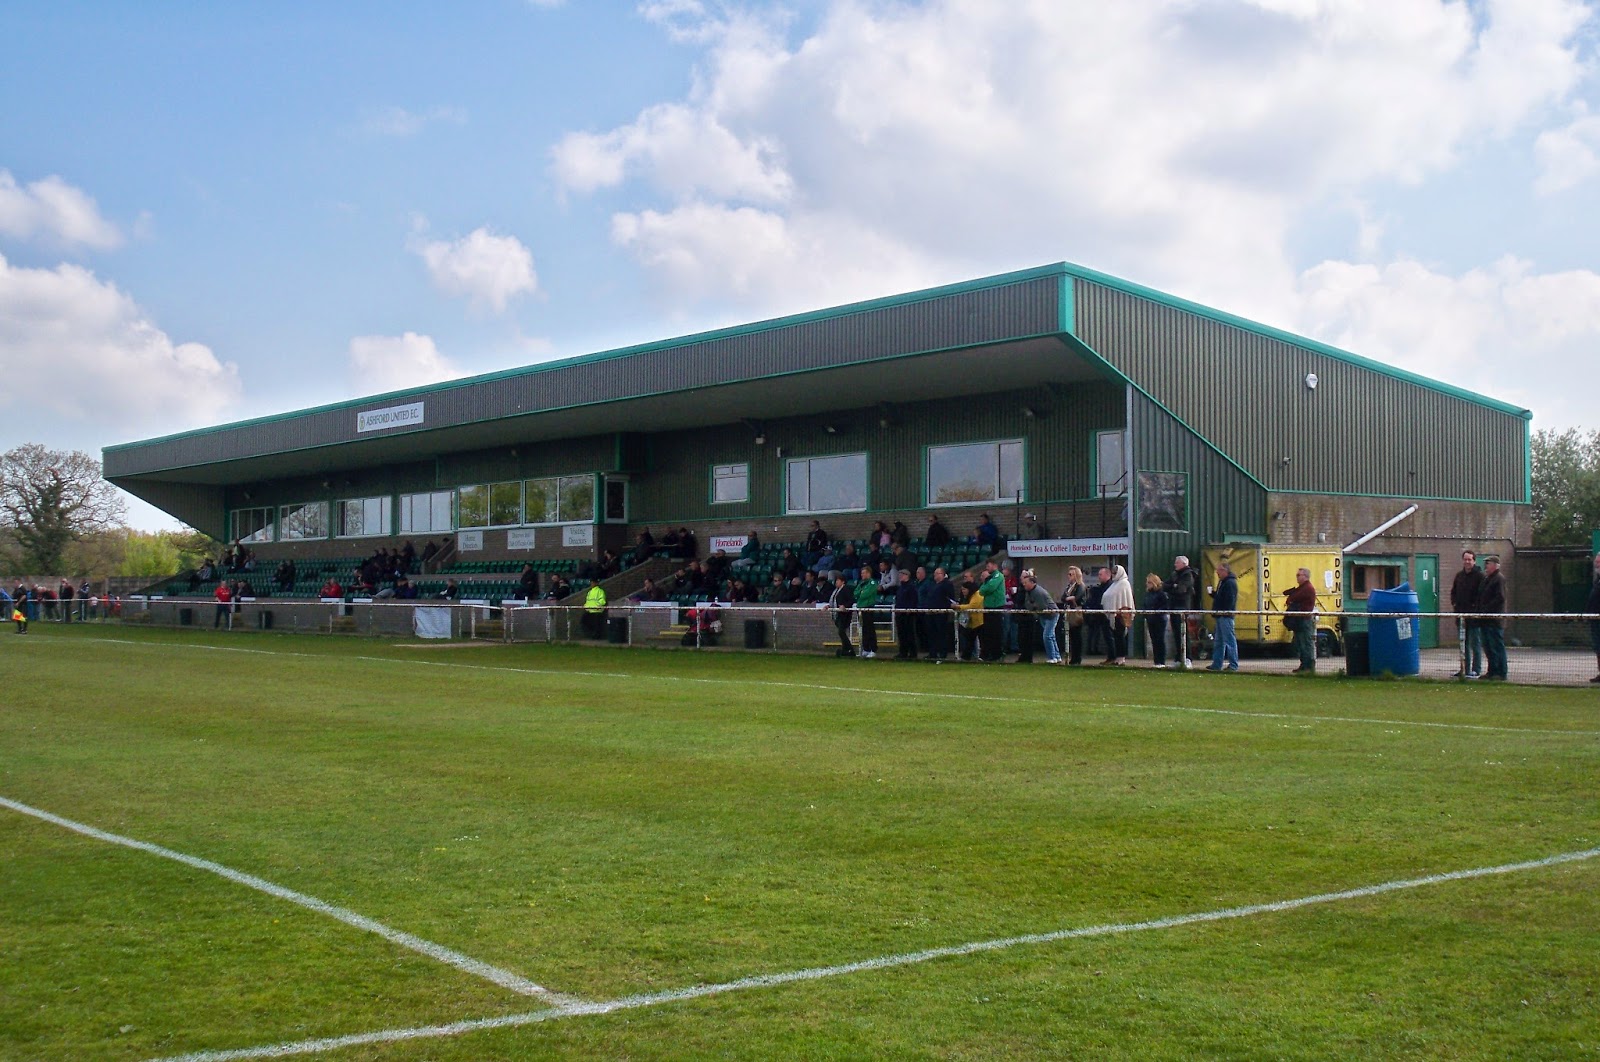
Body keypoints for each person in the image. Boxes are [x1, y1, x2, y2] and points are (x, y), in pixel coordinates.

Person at [1450, 550, 1485, 678]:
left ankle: (1476, 670)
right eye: (1465, 559)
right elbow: (1453, 592)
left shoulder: (1480, 576)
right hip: (1460, 616)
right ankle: (1464, 669)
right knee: (1463, 644)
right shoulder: (1459, 576)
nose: (1467, 562)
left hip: (1474, 617)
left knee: (1475, 643)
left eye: (1469, 559)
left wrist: (1475, 609)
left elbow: (1482, 596)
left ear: (1474, 561)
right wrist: (1454, 603)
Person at [1475, 556, 1508, 680]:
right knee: (1488, 647)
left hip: (1495, 620)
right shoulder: (1487, 579)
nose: (1486, 566)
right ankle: (1492, 671)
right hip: (1485, 620)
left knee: (1496, 646)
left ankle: (1501, 672)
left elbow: (1500, 598)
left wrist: (1487, 609)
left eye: (1488, 564)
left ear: (1496, 565)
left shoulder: (1499, 579)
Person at [1164, 555, 1199, 669]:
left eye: (1177, 563)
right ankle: (1178, 658)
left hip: (1182, 607)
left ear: (1184, 564)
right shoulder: (1174, 574)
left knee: (1183, 633)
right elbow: (1164, 585)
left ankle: (1187, 658)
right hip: (1173, 607)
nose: (1175, 564)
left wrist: (1173, 587)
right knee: (1176, 634)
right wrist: (1172, 586)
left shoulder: (1188, 575)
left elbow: (1181, 590)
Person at [1018, 570, 1059, 664]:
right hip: (1043, 616)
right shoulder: (1028, 592)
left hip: (1051, 614)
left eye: (1026, 583)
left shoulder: (1038, 592)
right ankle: (1057, 656)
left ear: (1032, 583)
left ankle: (1052, 657)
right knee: (1051, 636)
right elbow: (1027, 604)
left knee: (1047, 636)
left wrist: (1033, 607)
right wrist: (1033, 607)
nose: (1024, 585)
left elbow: (1042, 606)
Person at [1283, 566, 1318, 674]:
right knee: (1300, 643)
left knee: (1306, 643)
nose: (1297, 577)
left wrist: (1291, 599)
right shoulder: (1301, 588)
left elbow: (1292, 598)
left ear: (1305, 576)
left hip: (1305, 620)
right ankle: (1303, 665)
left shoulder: (1307, 588)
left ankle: (1309, 666)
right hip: (1299, 620)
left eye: (1299, 575)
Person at [1207, 563, 1240, 672]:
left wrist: (1222, 609)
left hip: (1226, 616)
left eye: (1219, 571)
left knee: (1229, 640)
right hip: (1221, 615)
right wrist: (1214, 595)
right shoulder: (1223, 582)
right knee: (1219, 641)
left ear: (1225, 571)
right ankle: (1217, 664)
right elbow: (1222, 598)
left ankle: (1233, 665)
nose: (1217, 573)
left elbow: (1229, 600)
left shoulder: (1229, 583)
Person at [1100, 565, 1134, 665]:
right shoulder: (1115, 584)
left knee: (1120, 636)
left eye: (1115, 572)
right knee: (1116, 636)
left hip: (1121, 615)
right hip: (1114, 614)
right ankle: (1116, 657)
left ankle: (1121, 657)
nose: (1114, 574)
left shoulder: (1124, 583)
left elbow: (1124, 599)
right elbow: (1107, 596)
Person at [974, 561, 1006, 662]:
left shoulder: (998, 576)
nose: (987, 567)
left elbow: (990, 587)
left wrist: (986, 584)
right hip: (988, 607)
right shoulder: (989, 578)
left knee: (996, 632)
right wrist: (986, 584)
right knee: (988, 633)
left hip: (996, 607)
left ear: (995, 566)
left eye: (989, 565)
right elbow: (982, 590)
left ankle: (997, 654)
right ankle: (988, 654)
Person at [1057, 566, 1089, 665]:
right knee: (1071, 635)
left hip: (1077, 612)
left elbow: (1078, 597)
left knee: (1077, 636)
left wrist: (1071, 598)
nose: (1068, 576)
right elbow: (1063, 597)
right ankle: (1072, 657)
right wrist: (1069, 598)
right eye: (1068, 574)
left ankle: (1077, 658)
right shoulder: (1069, 586)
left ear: (1076, 575)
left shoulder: (1080, 586)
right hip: (1069, 611)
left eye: (1071, 574)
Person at [893, 568, 920, 659]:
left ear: (907, 575)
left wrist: (910, 609)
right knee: (901, 634)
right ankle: (903, 652)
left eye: (902, 574)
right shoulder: (900, 587)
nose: (900, 576)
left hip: (908, 615)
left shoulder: (911, 587)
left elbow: (914, 600)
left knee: (910, 634)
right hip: (900, 614)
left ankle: (912, 653)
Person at [854, 565, 880, 659]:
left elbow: (866, 594)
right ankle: (866, 648)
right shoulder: (861, 583)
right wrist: (861, 592)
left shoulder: (872, 583)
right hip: (860, 608)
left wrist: (861, 593)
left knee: (870, 628)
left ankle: (873, 649)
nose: (862, 575)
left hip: (868, 607)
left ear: (868, 573)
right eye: (861, 573)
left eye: (864, 573)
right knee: (863, 628)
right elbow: (855, 593)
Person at [1143, 573, 1169, 667]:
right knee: (1154, 640)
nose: (1147, 584)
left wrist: (1156, 612)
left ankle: (1161, 661)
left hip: (1159, 619)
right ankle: (1156, 661)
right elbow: (1146, 604)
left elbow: (1165, 606)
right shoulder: (1148, 594)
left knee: (1160, 640)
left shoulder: (1161, 593)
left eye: (1149, 582)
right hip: (1150, 619)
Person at [828, 572, 856, 657]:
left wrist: (845, 606)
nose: (836, 582)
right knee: (841, 632)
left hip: (844, 615)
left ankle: (850, 649)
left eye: (838, 580)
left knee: (841, 632)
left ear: (843, 581)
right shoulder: (836, 591)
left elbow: (851, 600)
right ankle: (845, 650)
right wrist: (829, 605)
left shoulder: (846, 589)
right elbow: (833, 601)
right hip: (837, 614)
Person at [1587, 553, 1600, 684]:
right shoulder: (1597, 580)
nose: (1597, 565)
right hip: (1595, 620)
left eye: (1599, 562)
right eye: (1596, 562)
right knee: (1598, 647)